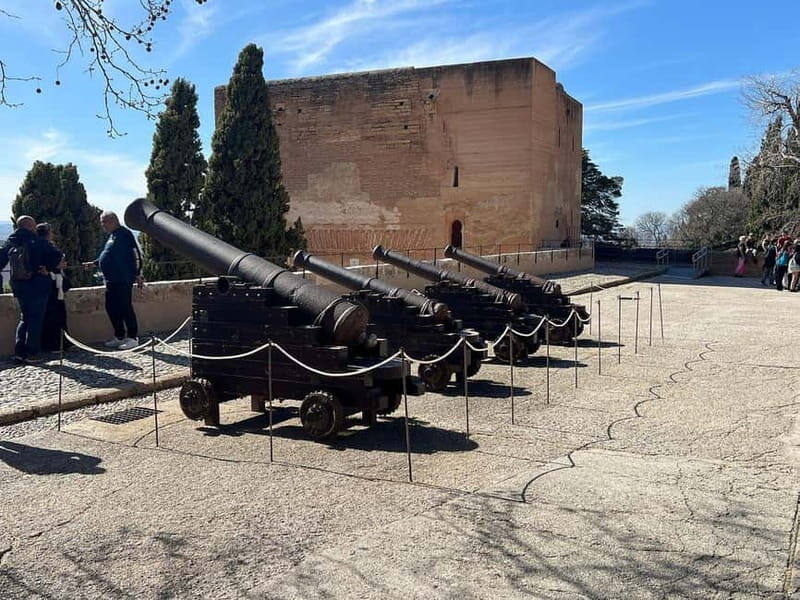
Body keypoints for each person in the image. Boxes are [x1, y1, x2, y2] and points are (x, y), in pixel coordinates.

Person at [0, 216, 65, 363]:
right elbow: (57, 256)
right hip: (38, 285)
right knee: (36, 319)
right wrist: (47, 269)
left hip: (19, 286)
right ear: (30, 225)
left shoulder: (10, 242)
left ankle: (19, 352)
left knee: (25, 318)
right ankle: (32, 353)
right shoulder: (38, 241)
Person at [83, 211, 144, 351]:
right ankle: (119, 335)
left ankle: (133, 337)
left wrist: (138, 273)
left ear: (113, 220)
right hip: (111, 280)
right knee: (111, 307)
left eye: (104, 221)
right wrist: (94, 263)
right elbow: (107, 255)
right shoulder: (112, 237)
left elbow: (135, 254)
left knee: (125, 307)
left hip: (123, 279)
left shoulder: (124, 234)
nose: (102, 225)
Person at [36, 223, 72, 352]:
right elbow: (58, 262)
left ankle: (60, 343)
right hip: (51, 286)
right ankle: (54, 344)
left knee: (56, 315)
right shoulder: (47, 247)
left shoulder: (37, 246)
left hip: (53, 284)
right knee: (54, 316)